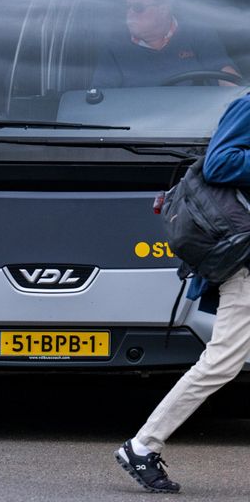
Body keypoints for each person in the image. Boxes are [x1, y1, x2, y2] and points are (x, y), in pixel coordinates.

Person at [115, 93, 250, 493]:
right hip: (244, 262)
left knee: (221, 361)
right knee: (222, 362)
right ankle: (141, 445)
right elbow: (219, 162)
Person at [92, 0, 239, 88]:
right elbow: (101, 100)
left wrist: (239, 99)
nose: (129, 14)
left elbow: (225, 74)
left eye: (137, 7)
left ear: (163, 9)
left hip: (199, 127)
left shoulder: (199, 34)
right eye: (127, 7)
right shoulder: (115, 47)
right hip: (137, 128)